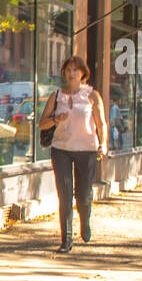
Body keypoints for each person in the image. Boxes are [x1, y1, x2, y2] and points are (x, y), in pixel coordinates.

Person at [42, 56, 108, 253]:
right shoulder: (56, 96)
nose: (71, 73)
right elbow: (42, 123)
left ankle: (85, 220)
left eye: (75, 70)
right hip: (61, 149)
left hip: (86, 149)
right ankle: (66, 239)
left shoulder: (92, 96)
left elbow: (101, 122)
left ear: (82, 74)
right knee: (64, 194)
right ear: (64, 73)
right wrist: (55, 118)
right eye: (68, 70)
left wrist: (103, 143)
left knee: (83, 196)